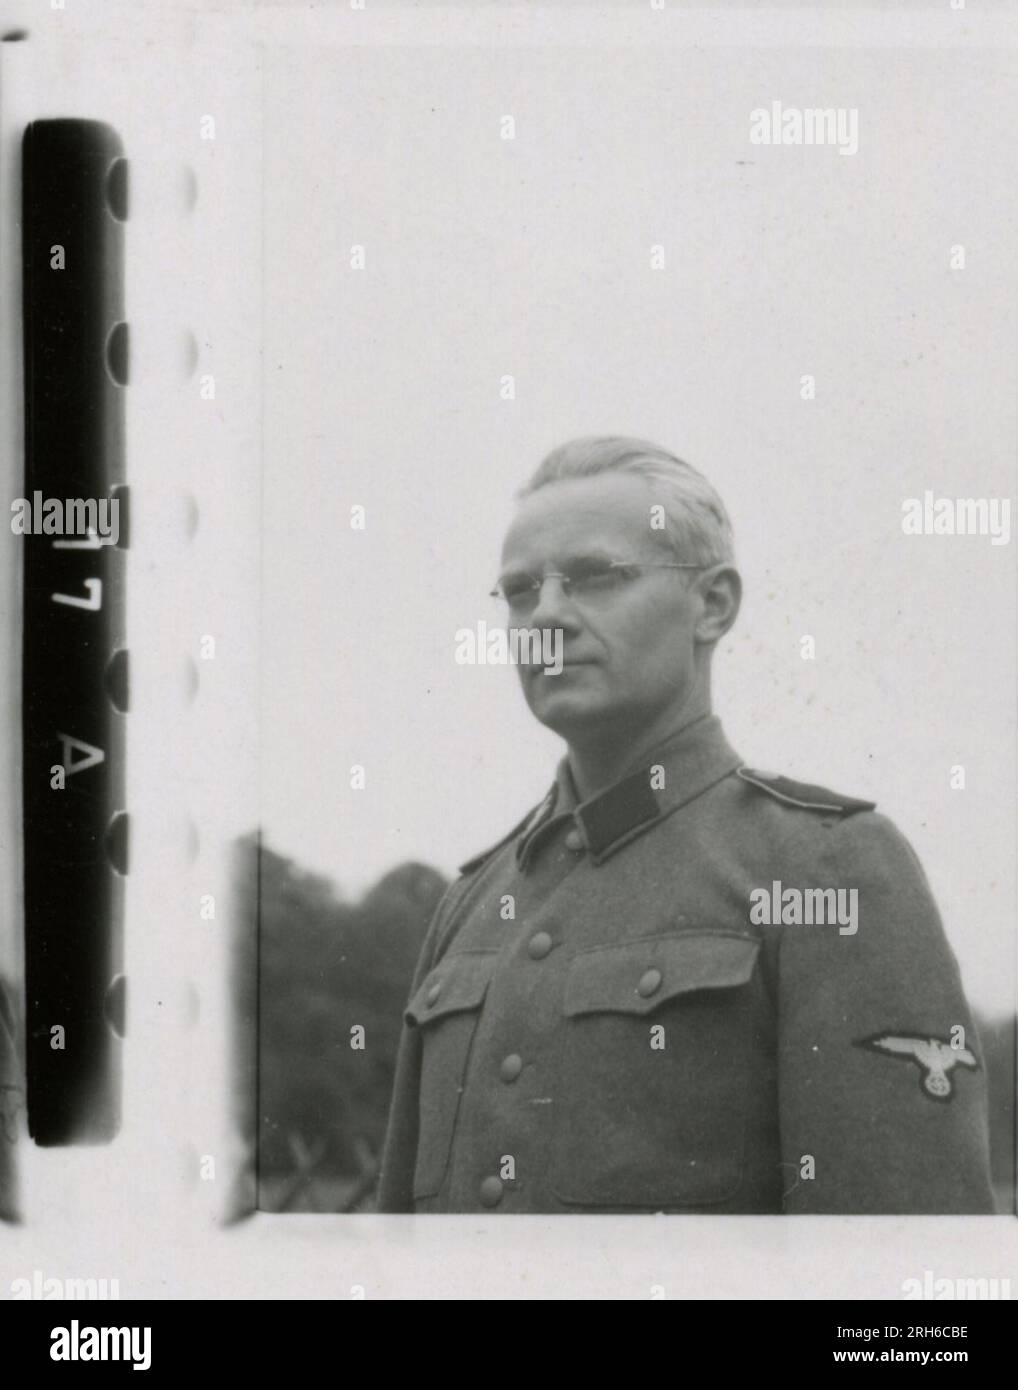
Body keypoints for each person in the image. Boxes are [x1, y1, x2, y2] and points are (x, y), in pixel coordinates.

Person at [377, 435, 995, 1214]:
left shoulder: (824, 868)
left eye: (598, 578)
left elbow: (896, 1299)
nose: (548, 615)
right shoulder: (470, 905)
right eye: (520, 590)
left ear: (713, 604)